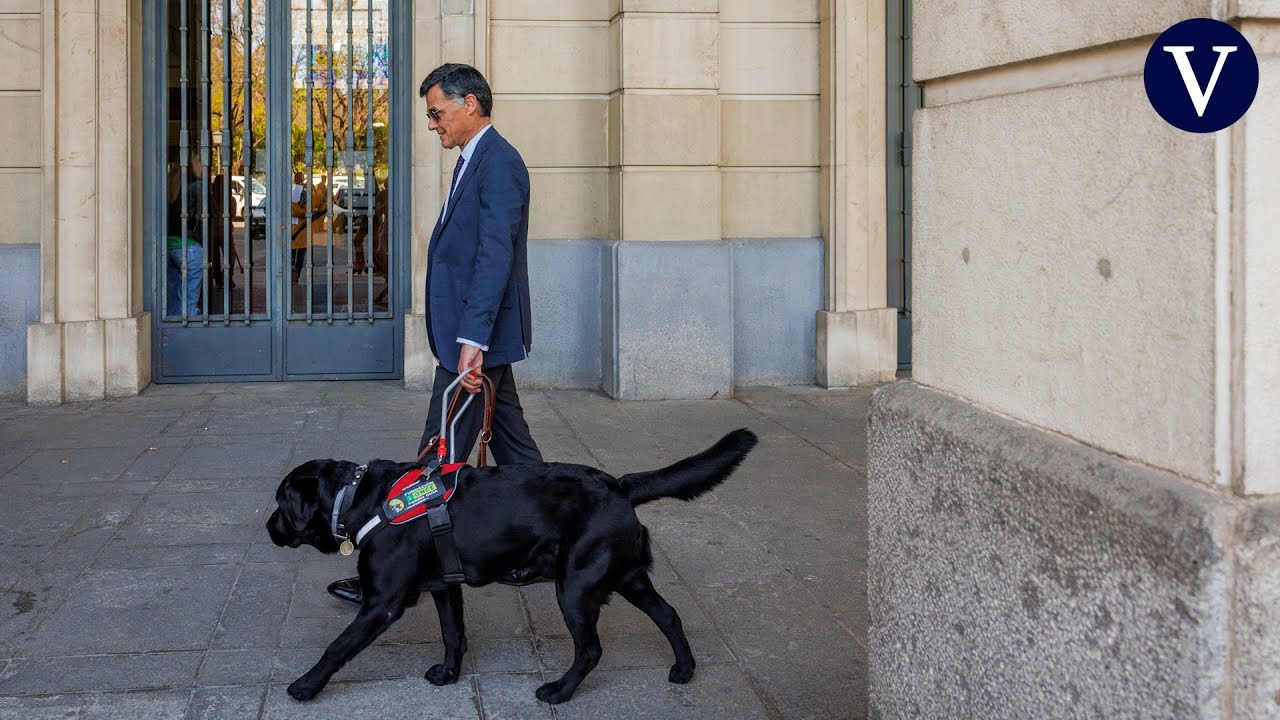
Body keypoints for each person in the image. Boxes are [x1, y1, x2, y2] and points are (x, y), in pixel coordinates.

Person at [327, 63, 543, 606]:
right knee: (517, 454)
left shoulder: (500, 164)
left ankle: (393, 572)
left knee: (433, 461)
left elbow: (495, 258)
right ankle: (551, 539)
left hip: (473, 342)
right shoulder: (473, 161)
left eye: (436, 112)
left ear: (470, 104)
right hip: (471, 336)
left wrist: (473, 340)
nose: (432, 124)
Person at [165, 152, 205, 316]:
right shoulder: (195, 186)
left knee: (174, 298)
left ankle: (175, 334)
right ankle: (191, 335)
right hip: (189, 248)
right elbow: (207, 214)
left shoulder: (168, 186)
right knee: (190, 300)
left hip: (170, 246)